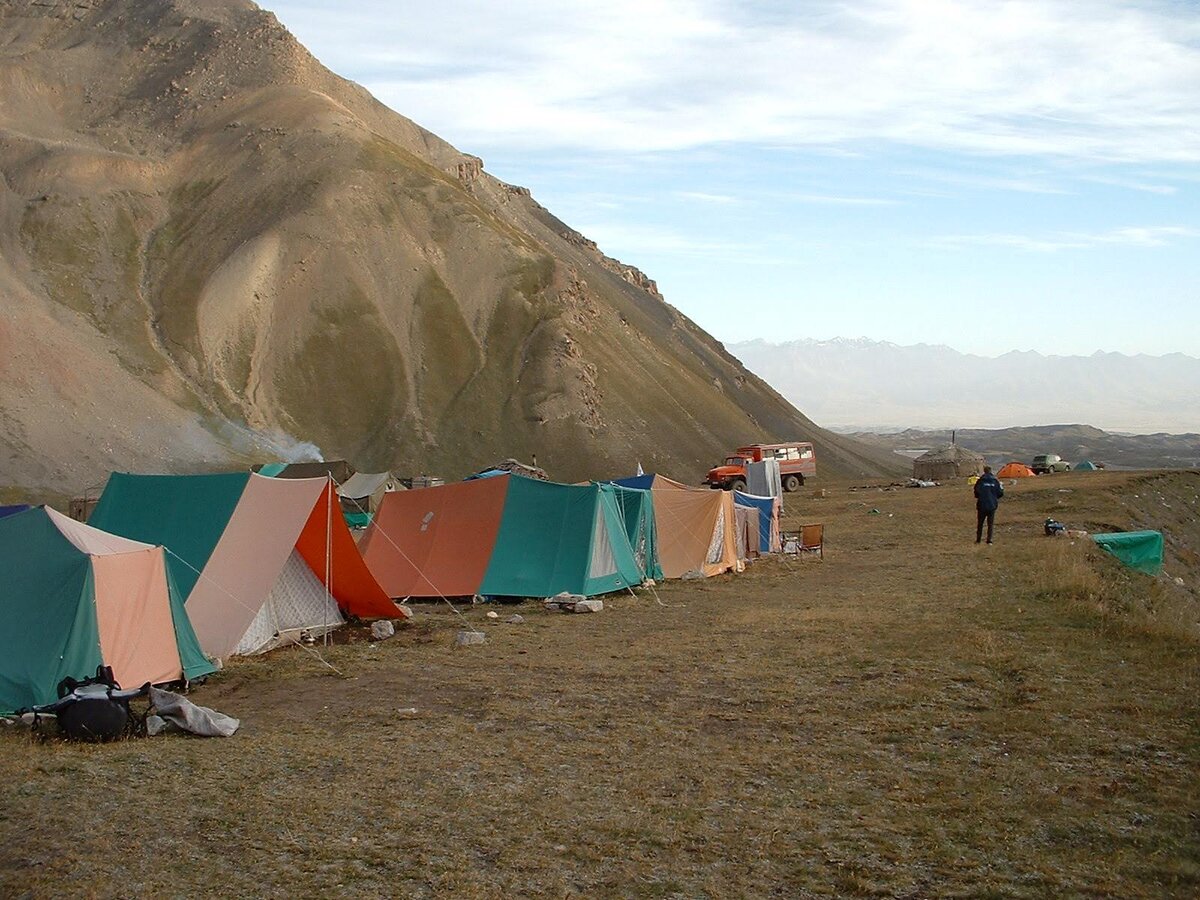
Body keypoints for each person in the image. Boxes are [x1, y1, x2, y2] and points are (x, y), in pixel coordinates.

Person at [974, 465, 1004, 544]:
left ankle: (978, 540)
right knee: (990, 524)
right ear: (991, 471)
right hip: (992, 505)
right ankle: (989, 540)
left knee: (980, 523)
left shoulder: (980, 481)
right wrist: (994, 497)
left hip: (982, 505)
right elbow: (1000, 493)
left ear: (984, 471)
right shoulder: (995, 481)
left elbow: (976, 492)